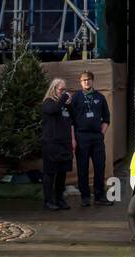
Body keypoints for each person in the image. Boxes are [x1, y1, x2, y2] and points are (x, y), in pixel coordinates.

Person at [71, 70, 110, 208]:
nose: (86, 82)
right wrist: (73, 138)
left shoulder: (100, 97)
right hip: (81, 137)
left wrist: (102, 134)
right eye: (83, 80)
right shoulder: (75, 98)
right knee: (83, 168)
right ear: (80, 82)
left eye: (88, 79)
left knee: (100, 167)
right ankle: (85, 197)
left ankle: (99, 196)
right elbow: (70, 120)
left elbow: (106, 119)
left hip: (96, 137)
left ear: (93, 81)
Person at [41, 79, 73, 211]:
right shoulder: (48, 103)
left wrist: (69, 103)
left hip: (64, 144)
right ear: (54, 89)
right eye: (61, 89)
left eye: (65, 89)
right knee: (50, 173)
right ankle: (48, 201)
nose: (64, 92)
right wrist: (64, 97)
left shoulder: (63, 104)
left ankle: (60, 199)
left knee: (62, 173)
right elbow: (54, 110)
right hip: (51, 145)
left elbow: (71, 118)